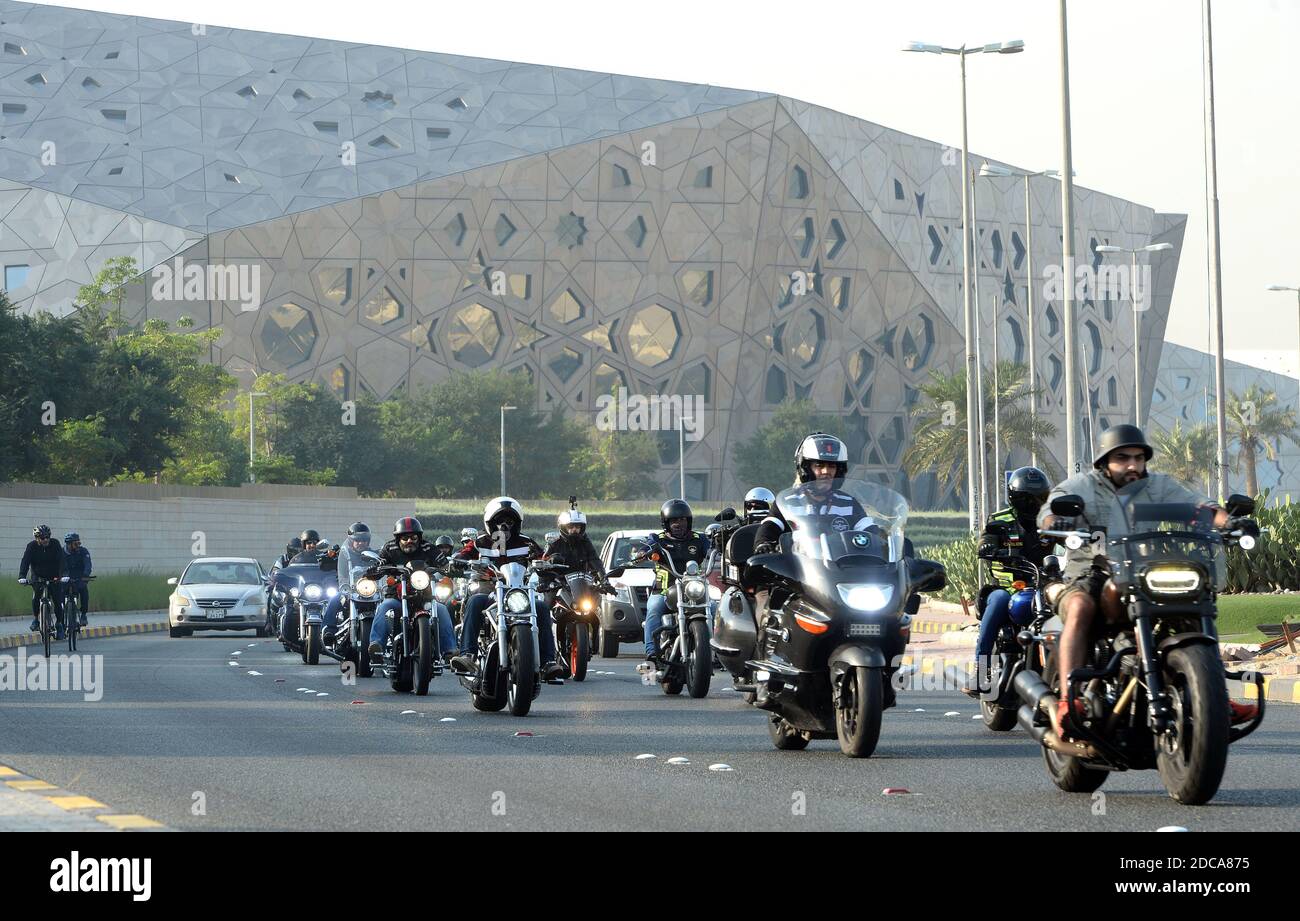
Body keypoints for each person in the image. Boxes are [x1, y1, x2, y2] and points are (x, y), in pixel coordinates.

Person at [1038, 424, 1256, 735]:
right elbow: (1049, 511)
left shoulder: (1157, 486)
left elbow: (1200, 507)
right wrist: (1056, 520)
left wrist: (1230, 522)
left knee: (1190, 606)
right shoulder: (1082, 486)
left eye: (1139, 458)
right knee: (1081, 608)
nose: (1132, 466)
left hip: (1143, 568)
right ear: (1104, 463)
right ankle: (1069, 701)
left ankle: (1214, 698)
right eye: (1122, 458)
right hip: (1091, 572)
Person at [450, 498, 565, 681]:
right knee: (474, 601)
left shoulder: (525, 542)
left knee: (542, 608)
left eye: (509, 521)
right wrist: (457, 558)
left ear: (517, 524)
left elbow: (542, 557)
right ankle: (468, 655)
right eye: (499, 521)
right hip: (489, 590)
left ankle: (548, 662)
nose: (504, 525)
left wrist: (551, 561)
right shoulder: (479, 542)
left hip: (519, 590)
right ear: (489, 522)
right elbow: (464, 554)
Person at [961, 467, 1052, 697]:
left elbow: (1070, 539)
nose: (1033, 503)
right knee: (999, 600)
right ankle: (981, 673)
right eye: (1027, 498)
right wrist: (988, 546)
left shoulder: (1051, 521)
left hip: (1045, 586)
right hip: (1008, 587)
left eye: (1039, 497)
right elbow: (986, 538)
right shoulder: (1000, 519)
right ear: (1014, 497)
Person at [366, 517, 456, 666]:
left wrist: (453, 567)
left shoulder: (428, 547)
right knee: (383, 607)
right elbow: (380, 563)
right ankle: (376, 646)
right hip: (397, 595)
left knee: (441, 609)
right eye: (405, 538)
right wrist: (374, 569)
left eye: (413, 537)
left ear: (419, 538)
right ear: (398, 539)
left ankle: (450, 651)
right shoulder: (389, 548)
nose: (409, 541)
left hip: (424, 596)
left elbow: (444, 563)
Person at [639, 498, 712, 670]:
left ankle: (712, 650)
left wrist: (720, 549)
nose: (679, 524)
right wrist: (644, 552)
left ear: (688, 521)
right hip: (664, 592)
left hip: (693, 591)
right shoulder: (658, 539)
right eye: (674, 521)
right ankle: (651, 654)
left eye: (682, 520)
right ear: (666, 523)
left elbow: (711, 548)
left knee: (714, 608)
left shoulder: (699, 539)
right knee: (654, 609)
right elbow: (647, 547)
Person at [322, 522, 374, 644]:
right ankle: (328, 631)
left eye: (364, 540)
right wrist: (329, 556)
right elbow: (336, 570)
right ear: (351, 541)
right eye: (358, 540)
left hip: (370, 590)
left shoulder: (373, 554)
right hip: (349, 589)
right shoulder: (344, 554)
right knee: (334, 598)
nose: (361, 543)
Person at [19, 525, 68, 639]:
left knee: (57, 600)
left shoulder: (55, 544)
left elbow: (62, 560)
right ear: (37, 538)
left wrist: (64, 575)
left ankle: (59, 624)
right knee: (36, 597)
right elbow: (25, 562)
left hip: (54, 577)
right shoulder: (31, 546)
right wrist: (22, 576)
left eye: (47, 537)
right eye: (42, 537)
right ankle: (36, 619)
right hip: (38, 577)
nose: (45, 539)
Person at [63, 532, 93, 628]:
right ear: (69, 544)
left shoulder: (83, 551)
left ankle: (83, 615)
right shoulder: (61, 552)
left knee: (84, 592)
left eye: (79, 543)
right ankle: (61, 617)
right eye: (75, 544)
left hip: (79, 577)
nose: (78, 546)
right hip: (65, 577)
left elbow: (88, 564)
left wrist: (85, 575)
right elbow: (57, 566)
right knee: (58, 594)